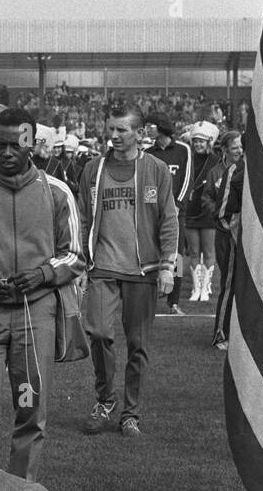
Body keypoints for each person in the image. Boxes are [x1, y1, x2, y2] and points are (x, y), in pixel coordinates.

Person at [0, 107, 82, 480]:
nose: (7, 153)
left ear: (31, 144)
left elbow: (74, 254)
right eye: (0, 145)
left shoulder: (56, 192)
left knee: (29, 405)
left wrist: (42, 275)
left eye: (16, 145)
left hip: (34, 316)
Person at [77, 105, 178, 438]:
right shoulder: (93, 169)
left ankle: (130, 413)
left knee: (138, 344)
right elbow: (84, 219)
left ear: (140, 133)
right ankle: (105, 400)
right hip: (102, 266)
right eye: (111, 129)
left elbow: (168, 219)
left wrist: (167, 266)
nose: (115, 136)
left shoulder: (157, 169)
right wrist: (80, 260)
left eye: (122, 130)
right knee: (100, 333)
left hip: (143, 270)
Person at [144, 113, 192, 314]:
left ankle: (173, 301)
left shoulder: (183, 150)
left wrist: (177, 205)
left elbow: (187, 178)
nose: (147, 129)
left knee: (177, 257)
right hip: (152, 213)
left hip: (176, 214)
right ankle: (149, 297)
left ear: (161, 127)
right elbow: (146, 182)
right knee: (150, 253)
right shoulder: (148, 152)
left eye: (150, 126)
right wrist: (149, 207)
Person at [205, 130, 244, 348]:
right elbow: (208, 200)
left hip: (244, 233)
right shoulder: (218, 172)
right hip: (226, 232)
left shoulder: (246, 168)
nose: (239, 150)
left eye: (241, 146)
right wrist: (225, 223)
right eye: (235, 147)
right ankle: (221, 333)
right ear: (225, 150)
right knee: (229, 284)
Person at [181, 121, 221, 301]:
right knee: (194, 252)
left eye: (202, 141)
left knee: (209, 251)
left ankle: (206, 287)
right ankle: (196, 288)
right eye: (195, 141)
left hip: (208, 211)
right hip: (190, 210)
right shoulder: (187, 158)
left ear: (208, 143)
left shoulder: (215, 160)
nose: (198, 144)